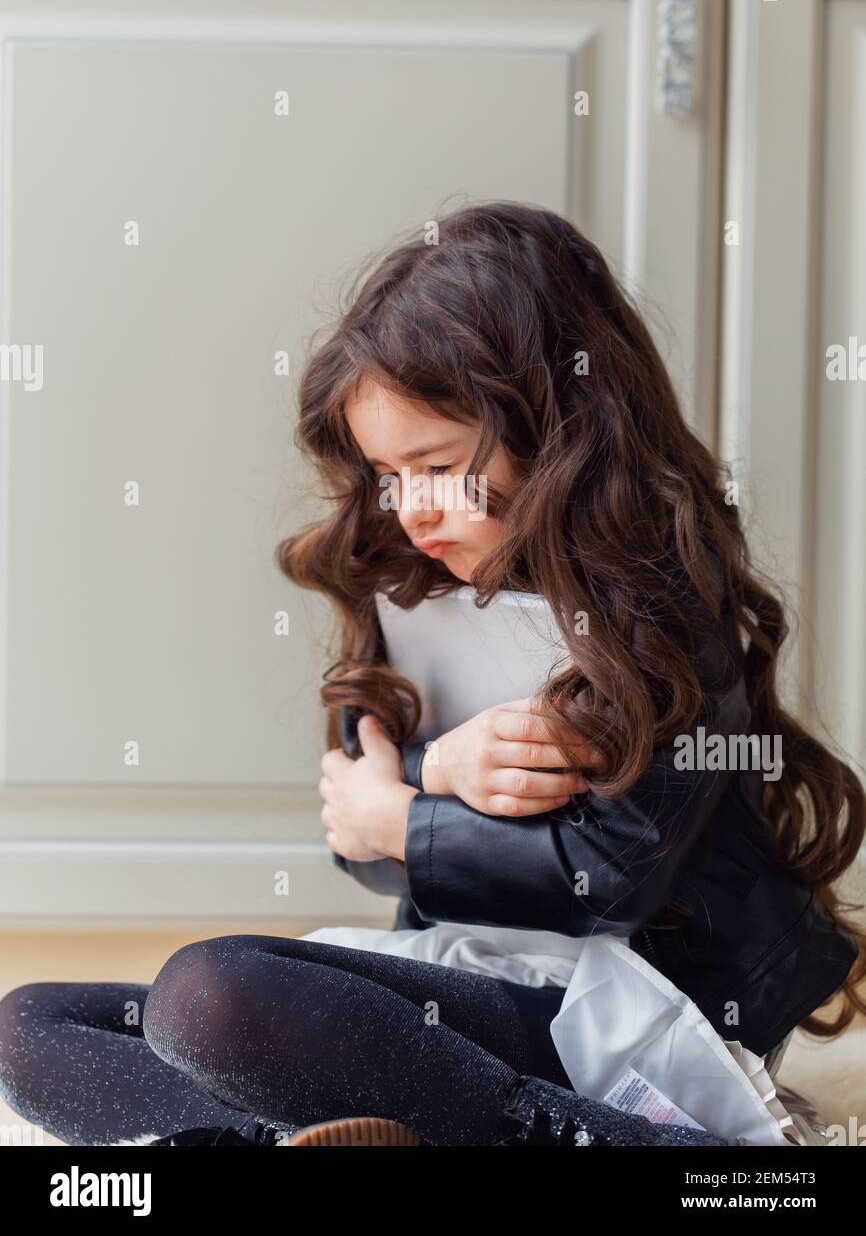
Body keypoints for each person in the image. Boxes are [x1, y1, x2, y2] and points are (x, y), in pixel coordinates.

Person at [0, 202, 861, 1146]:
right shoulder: (414, 572)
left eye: (439, 466)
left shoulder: (661, 597)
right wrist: (425, 779)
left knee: (210, 995)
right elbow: (357, 835)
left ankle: (589, 1140)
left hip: (627, 1008)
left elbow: (611, 884)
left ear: (562, 428)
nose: (411, 510)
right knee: (27, 1027)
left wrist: (406, 818)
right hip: (464, 975)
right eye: (386, 475)